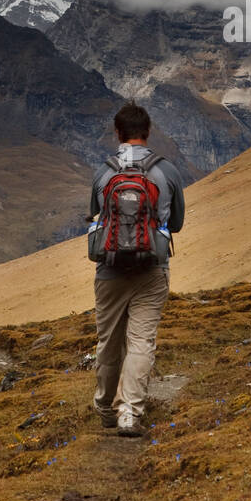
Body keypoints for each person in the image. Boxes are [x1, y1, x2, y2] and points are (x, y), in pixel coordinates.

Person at [89, 102, 185, 437]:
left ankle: (104, 408)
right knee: (141, 340)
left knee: (109, 342)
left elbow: (96, 217)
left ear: (118, 133)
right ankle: (129, 413)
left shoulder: (104, 171)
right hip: (152, 269)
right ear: (147, 132)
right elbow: (178, 223)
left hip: (109, 271)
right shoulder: (167, 171)